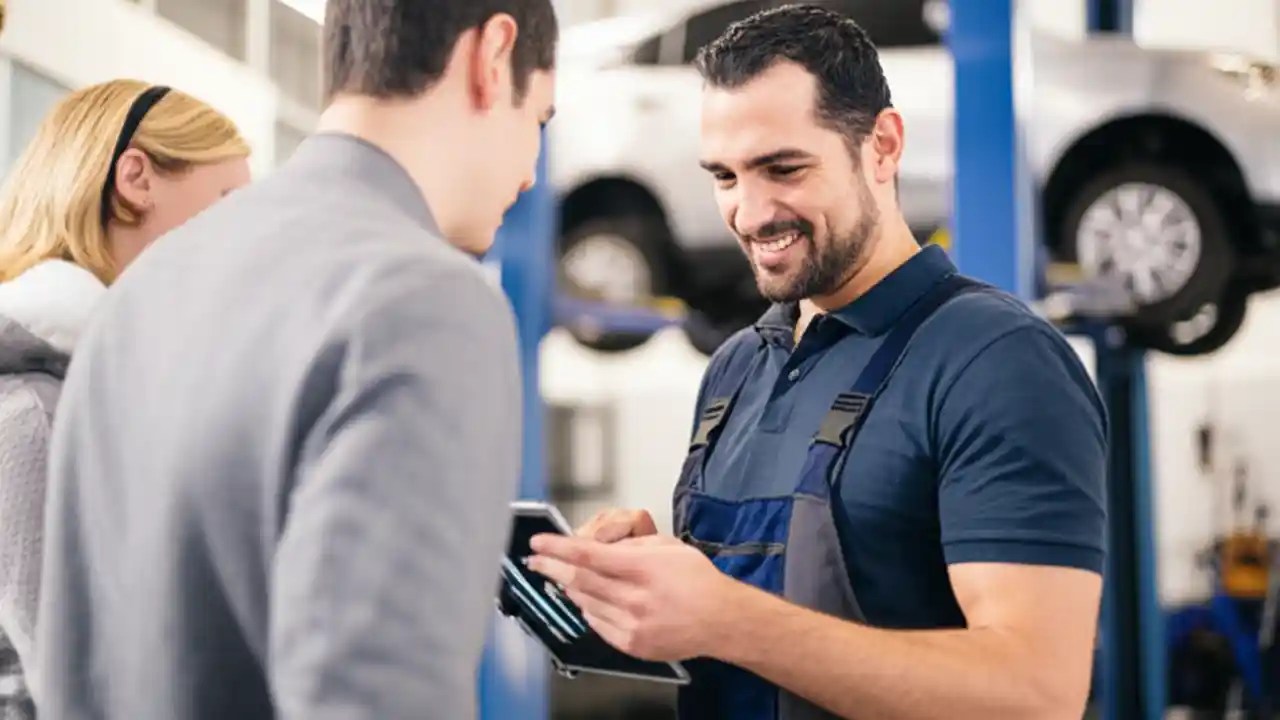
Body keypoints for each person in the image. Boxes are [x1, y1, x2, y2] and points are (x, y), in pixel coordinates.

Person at [527, 6, 1108, 719]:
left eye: (783, 168)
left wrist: (726, 615)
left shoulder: (996, 363)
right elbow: (762, 629)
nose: (749, 212)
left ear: (883, 147)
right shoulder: (738, 367)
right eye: (726, 176)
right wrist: (653, 589)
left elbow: (1034, 694)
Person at [35, 1, 557, 718]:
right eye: (539, 119)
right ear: (493, 58)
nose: (530, 172)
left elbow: (72, 670)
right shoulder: (423, 299)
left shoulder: (142, 289)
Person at [0, 79, 250, 718]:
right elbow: (77, 690)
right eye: (227, 202)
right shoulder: (35, 413)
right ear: (136, 178)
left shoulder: (96, 398)